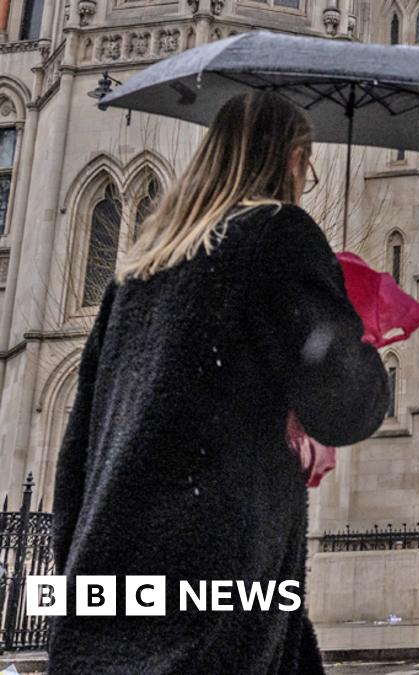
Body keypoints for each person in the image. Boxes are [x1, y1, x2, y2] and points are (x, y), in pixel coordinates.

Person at [48, 92, 390, 673]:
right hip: (217, 606)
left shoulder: (134, 276)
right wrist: (346, 324)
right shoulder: (276, 236)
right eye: (307, 168)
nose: (306, 182)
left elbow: (76, 456)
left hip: (105, 605)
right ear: (291, 160)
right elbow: (347, 403)